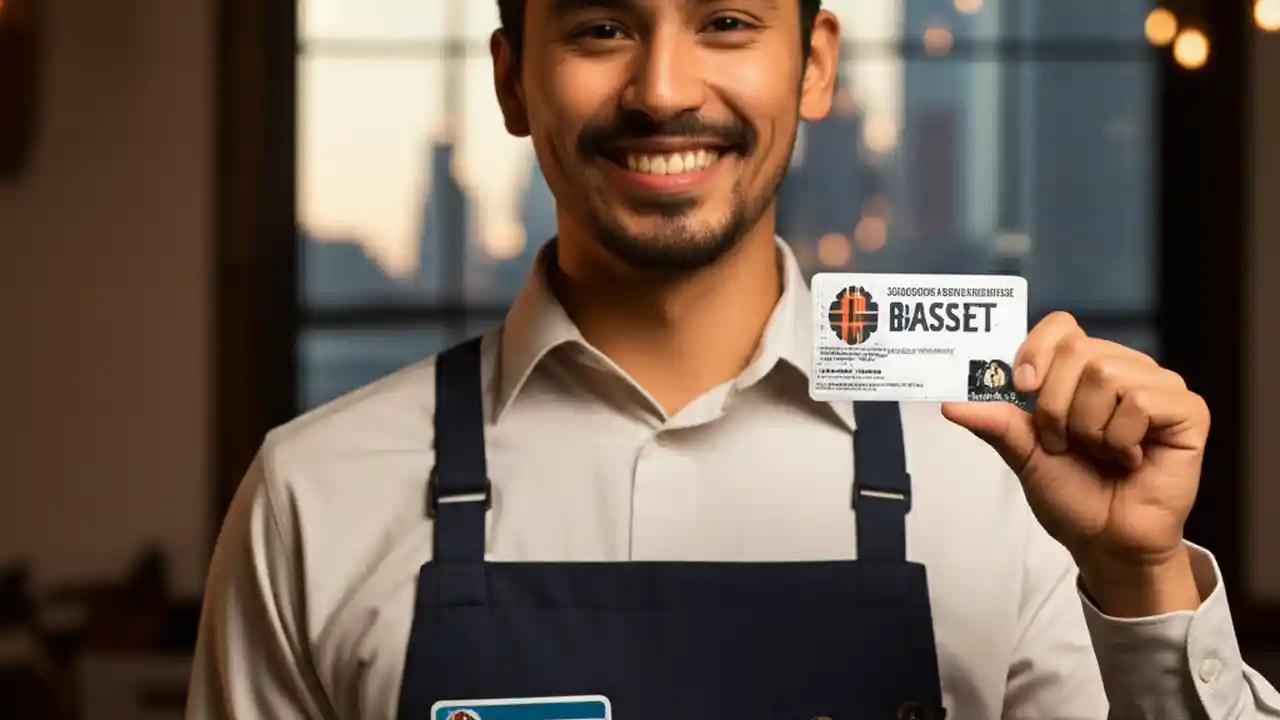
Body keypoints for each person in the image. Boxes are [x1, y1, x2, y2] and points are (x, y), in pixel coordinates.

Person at [187, 1, 1280, 718]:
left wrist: (1138, 577)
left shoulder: (1003, 489)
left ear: (811, 66)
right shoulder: (311, 496)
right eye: (601, 27)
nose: (662, 88)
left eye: (721, 21)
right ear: (513, 81)